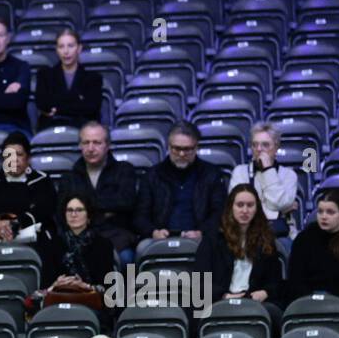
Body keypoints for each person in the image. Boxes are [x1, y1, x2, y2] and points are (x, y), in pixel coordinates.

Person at [195, 185, 284, 334]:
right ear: (231, 207)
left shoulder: (266, 240)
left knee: (273, 312)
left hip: (253, 300)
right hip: (219, 299)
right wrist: (223, 295)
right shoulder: (213, 238)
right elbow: (200, 279)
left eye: (250, 205)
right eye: (240, 205)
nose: (245, 210)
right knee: (196, 313)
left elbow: (275, 281)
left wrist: (265, 292)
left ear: (257, 208)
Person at [286, 189, 339, 338]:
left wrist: (334, 299)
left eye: (330, 212)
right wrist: (313, 297)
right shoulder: (304, 239)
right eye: (320, 211)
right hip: (308, 296)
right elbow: (295, 278)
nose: (324, 216)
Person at [133, 121, 226, 242]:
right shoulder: (151, 176)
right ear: (168, 146)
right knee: (133, 258)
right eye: (176, 149)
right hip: (158, 239)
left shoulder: (212, 174)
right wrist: (153, 232)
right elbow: (139, 216)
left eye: (187, 149)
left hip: (201, 238)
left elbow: (220, 212)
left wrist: (202, 232)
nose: (181, 154)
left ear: (197, 147)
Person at [35, 191, 116, 322]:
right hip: (58, 303)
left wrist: (86, 286)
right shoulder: (52, 245)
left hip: (91, 303)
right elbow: (44, 285)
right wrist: (56, 284)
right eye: (70, 210)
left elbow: (109, 288)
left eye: (79, 210)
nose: (74, 214)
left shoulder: (103, 245)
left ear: (88, 215)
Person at [62, 122, 138, 260]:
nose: (91, 148)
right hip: (78, 237)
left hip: (116, 238)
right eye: (86, 143)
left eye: (97, 143)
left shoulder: (124, 170)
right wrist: (106, 210)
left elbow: (126, 202)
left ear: (108, 145)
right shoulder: (69, 177)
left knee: (127, 259)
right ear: (80, 145)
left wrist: (86, 208)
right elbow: (62, 212)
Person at [0, 131, 57, 245]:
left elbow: (43, 211)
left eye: (19, 154)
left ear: (28, 158)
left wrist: (15, 224)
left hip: (34, 241)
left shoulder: (41, 180)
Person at [227, 122, 298, 237]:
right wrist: (278, 212)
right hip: (246, 232)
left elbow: (278, 203)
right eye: (255, 145)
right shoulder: (239, 172)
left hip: (280, 234)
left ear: (276, 147)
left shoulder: (289, 175)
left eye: (265, 145)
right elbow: (239, 209)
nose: (259, 149)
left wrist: (268, 170)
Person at [34, 29, 103, 132]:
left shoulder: (93, 78)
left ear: (79, 48)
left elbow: (91, 108)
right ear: (56, 50)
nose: (66, 51)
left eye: (70, 46)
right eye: (61, 47)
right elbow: (42, 104)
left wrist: (57, 108)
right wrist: (76, 101)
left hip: (82, 130)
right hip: (51, 128)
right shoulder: (45, 75)